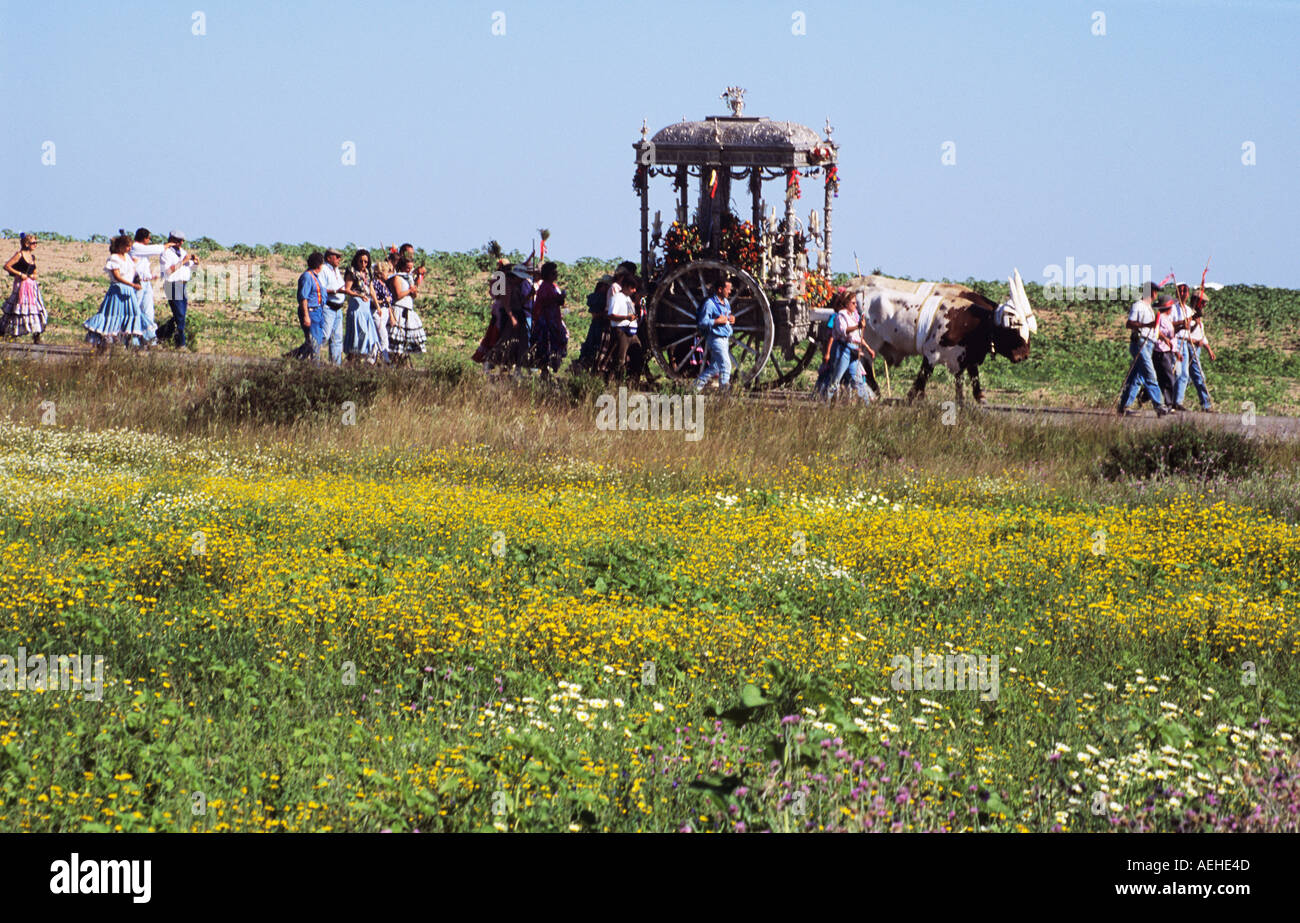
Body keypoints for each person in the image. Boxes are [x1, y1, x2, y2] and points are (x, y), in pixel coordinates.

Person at [1117, 281, 1171, 416]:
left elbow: (1154, 328)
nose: (1156, 295)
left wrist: (1163, 338)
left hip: (1149, 344)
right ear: (1151, 292)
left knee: (1136, 377)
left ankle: (1123, 406)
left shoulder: (1149, 309)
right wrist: (1147, 324)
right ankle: (1159, 405)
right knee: (1149, 373)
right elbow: (1129, 323)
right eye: (1155, 292)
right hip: (1140, 343)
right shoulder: (1138, 305)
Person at [84, 234, 144, 347]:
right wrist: (131, 284)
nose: (129, 249)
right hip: (118, 290)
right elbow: (117, 276)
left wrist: (137, 281)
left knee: (133, 314)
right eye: (127, 246)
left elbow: (133, 272)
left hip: (129, 291)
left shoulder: (128, 257)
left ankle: (130, 342)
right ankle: (105, 340)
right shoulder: (114, 258)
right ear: (121, 246)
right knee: (112, 314)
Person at [818, 290, 876, 403]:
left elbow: (858, 336)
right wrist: (857, 326)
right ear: (846, 303)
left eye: (856, 303)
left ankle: (868, 406)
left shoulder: (854, 316)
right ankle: (825, 404)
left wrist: (868, 348)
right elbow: (843, 331)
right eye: (853, 303)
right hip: (843, 349)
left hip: (853, 349)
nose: (855, 305)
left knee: (857, 381)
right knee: (835, 380)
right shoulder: (841, 315)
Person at [1, 233, 48, 343]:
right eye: (33, 243)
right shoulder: (19, 255)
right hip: (21, 286)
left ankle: (37, 334)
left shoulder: (32, 257)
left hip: (31, 287)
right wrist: (19, 274)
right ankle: (10, 332)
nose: (35, 245)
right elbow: (7, 266)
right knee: (17, 309)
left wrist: (33, 276)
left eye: (36, 243)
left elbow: (35, 271)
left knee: (35, 310)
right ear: (26, 244)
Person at [157, 231, 198, 348]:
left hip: (183, 284)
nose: (181, 242)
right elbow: (168, 271)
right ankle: (181, 343)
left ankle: (160, 334)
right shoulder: (166, 253)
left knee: (180, 316)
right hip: (172, 284)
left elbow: (190, 269)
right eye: (179, 240)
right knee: (179, 315)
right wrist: (183, 261)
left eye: (182, 240)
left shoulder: (183, 252)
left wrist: (195, 263)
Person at [694, 277, 736, 393]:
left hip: (725, 338)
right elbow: (702, 322)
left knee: (715, 367)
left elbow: (726, 316)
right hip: (715, 338)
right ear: (719, 289)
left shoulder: (726, 303)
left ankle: (695, 387)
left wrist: (731, 318)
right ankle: (724, 394)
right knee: (726, 365)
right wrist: (716, 321)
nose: (730, 291)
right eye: (728, 289)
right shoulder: (709, 304)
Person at [128, 228, 167, 346]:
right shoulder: (136, 247)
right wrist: (167, 245)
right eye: (149, 238)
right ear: (144, 238)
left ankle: (149, 337)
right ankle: (135, 338)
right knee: (136, 310)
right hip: (138, 282)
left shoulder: (142, 250)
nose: (149, 241)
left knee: (148, 310)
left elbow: (143, 266)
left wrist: (150, 276)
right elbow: (155, 249)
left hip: (146, 282)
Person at [342, 250, 382, 363]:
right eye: (361, 261)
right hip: (356, 304)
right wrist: (359, 295)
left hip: (366, 305)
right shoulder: (352, 272)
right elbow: (347, 289)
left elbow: (371, 290)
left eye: (365, 262)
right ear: (357, 260)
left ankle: (360, 360)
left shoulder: (368, 273)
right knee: (359, 333)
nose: (363, 264)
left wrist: (377, 305)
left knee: (368, 334)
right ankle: (352, 359)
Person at [388, 255, 428, 362]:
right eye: (407, 268)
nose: (409, 270)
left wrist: (414, 291)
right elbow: (397, 295)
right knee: (396, 342)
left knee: (406, 343)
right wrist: (409, 291)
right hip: (398, 310)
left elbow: (413, 295)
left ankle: (402, 363)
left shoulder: (408, 278)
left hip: (408, 311)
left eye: (411, 268)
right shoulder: (397, 278)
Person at [605, 269, 642, 382]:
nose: (634, 290)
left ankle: (632, 380)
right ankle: (615, 383)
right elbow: (611, 315)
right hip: (621, 331)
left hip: (631, 331)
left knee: (638, 355)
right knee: (620, 359)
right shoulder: (616, 298)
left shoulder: (628, 299)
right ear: (625, 286)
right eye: (632, 288)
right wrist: (626, 318)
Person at [532, 262, 569, 375]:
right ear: (548, 274)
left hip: (554, 319)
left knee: (557, 341)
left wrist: (560, 298)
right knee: (546, 344)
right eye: (554, 273)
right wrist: (557, 298)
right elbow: (544, 301)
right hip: (546, 320)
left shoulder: (553, 286)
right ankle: (545, 369)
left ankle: (551, 366)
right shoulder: (544, 287)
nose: (556, 275)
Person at [294, 251, 328, 360]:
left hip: (318, 312)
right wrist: (306, 315)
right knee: (314, 343)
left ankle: (295, 357)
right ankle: (314, 367)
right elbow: (303, 298)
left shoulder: (315, 277)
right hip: (310, 311)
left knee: (317, 340)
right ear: (319, 264)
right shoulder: (307, 277)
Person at [318, 248, 347, 365]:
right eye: (336, 257)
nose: (339, 259)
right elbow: (321, 289)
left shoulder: (336, 270)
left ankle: (335, 366)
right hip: (328, 308)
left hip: (338, 309)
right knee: (324, 336)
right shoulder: (324, 269)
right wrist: (336, 291)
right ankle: (307, 356)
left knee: (337, 339)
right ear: (329, 258)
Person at [1150, 296, 1180, 409]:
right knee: (1168, 378)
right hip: (1161, 351)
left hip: (1168, 351)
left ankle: (1147, 396)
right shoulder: (1160, 318)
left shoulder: (1167, 318)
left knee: (1163, 378)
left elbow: (1171, 334)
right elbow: (1157, 331)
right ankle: (1169, 403)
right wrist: (1165, 339)